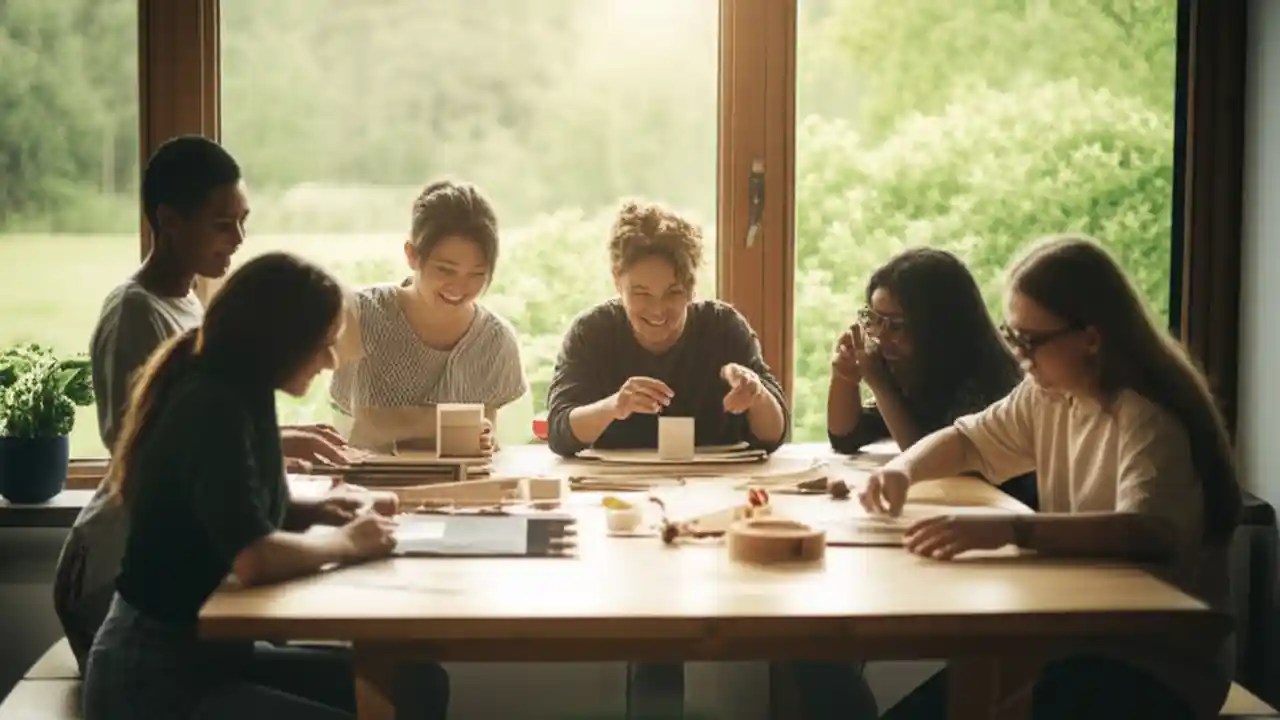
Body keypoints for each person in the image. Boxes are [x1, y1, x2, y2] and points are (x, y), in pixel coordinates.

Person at [862, 236, 1240, 720]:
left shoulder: (1146, 417)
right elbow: (967, 441)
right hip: (1077, 639)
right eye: (1012, 336)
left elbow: (1147, 532)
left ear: (1091, 338)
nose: (1019, 355)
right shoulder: (1047, 393)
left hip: (1157, 664)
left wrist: (1012, 529)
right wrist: (902, 469)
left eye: (1031, 341)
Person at [82, 252, 449, 719]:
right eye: (323, 345)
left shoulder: (243, 389)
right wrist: (348, 542)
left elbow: (229, 513)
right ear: (281, 341)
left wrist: (315, 511)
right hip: (154, 679)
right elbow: (253, 558)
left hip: (211, 655)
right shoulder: (211, 403)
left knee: (418, 682)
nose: (331, 361)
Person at [54, 135, 356, 671]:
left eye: (243, 221)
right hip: (114, 566)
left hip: (176, 567)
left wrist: (300, 492)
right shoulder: (135, 313)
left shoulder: (192, 305)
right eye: (222, 223)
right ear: (169, 221)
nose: (238, 238)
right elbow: (140, 445)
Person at [546, 200, 789, 719]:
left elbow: (775, 434)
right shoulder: (594, 332)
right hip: (622, 512)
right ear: (617, 282)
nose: (658, 310)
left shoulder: (722, 327)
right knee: (652, 634)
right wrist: (613, 406)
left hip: (717, 508)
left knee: (768, 622)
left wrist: (755, 395)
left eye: (674, 293)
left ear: (692, 288)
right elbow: (562, 432)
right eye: (641, 293)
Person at [827, 247, 1037, 509]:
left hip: (1002, 516)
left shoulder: (985, 385)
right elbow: (845, 437)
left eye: (896, 325)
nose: (880, 336)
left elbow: (930, 463)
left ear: (939, 327)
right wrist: (845, 377)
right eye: (874, 320)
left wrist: (881, 387)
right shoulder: (909, 369)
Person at [330, 180, 526, 453]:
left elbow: (484, 432)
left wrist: (484, 439)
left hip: (460, 480)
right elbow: (363, 425)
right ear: (412, 255)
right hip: (366, 476)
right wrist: (445, 421)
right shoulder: (362, 315)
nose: (459, 287)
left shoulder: (495, 340)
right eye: (445, 270)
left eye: (477, 274)